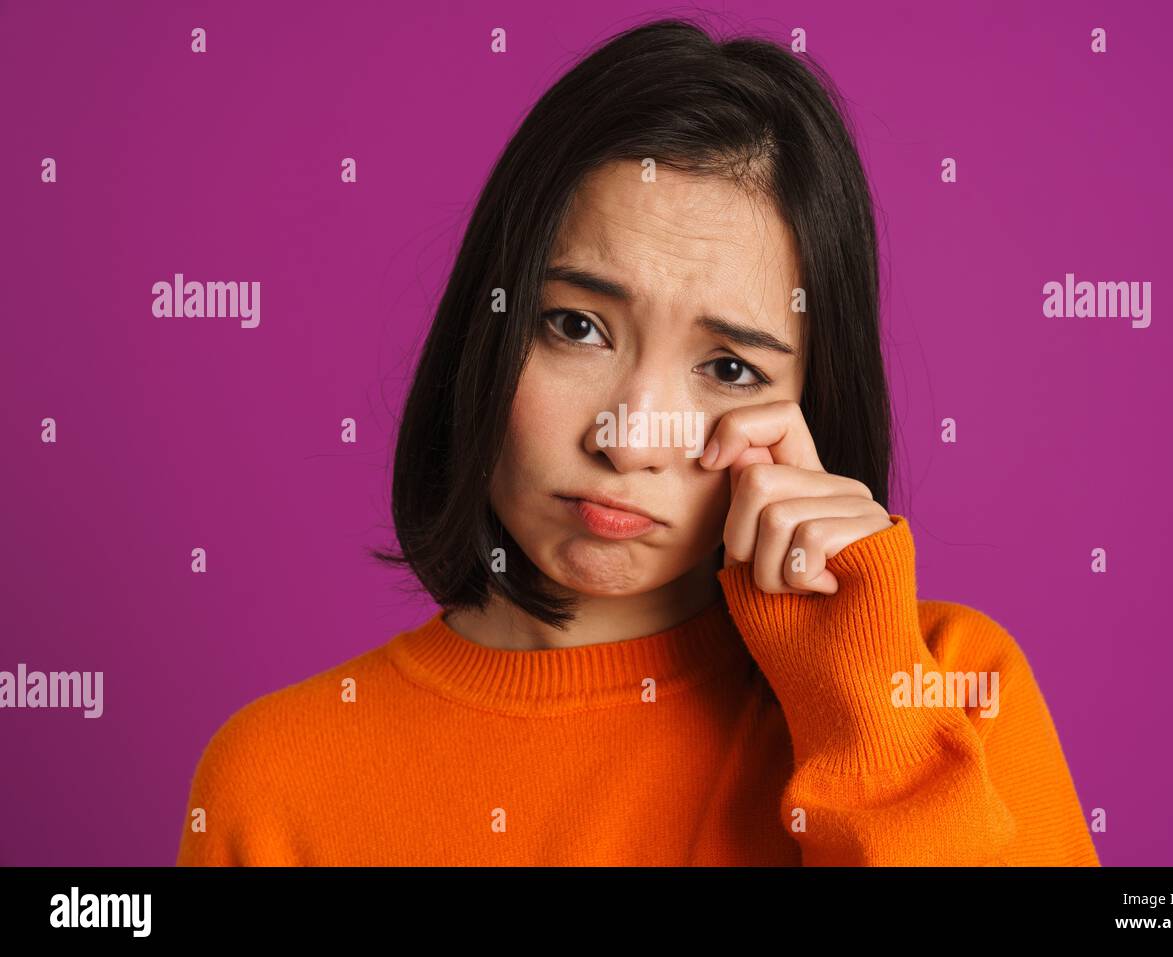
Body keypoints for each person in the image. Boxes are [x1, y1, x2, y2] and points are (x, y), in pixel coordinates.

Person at [177, 17, 1100, 867]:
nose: (628, 438)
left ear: (807, 416)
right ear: (486, 329)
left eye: (730, 369)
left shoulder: (949, 688)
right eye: (576, 326)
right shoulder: (274, 782)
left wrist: (865, 710)